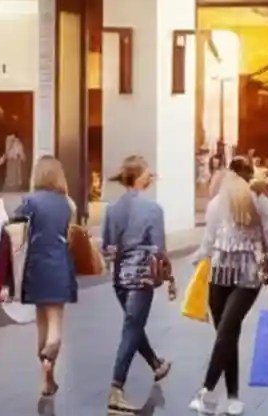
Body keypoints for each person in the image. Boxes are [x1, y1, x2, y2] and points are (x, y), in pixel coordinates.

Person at [190, 157, 268, 414]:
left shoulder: (256, 203)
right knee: (228, 333)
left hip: (237, 273)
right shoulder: (228, 203)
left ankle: (206, 391)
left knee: (226, 330)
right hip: (231, 272)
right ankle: (232, 397)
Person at [101, 156, 174, 413]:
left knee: (134, 324)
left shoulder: (112, 209)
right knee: (132, 327)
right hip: (141, 275)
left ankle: (156, 364)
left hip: (119, 276)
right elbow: (159, 248)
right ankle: (116, 388)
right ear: (141, 177)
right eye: (147, 172)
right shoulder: (153, 209)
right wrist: (169, 274)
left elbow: (106, 245)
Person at [14, 156, 78, 399]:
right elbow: (69, 235)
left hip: (36, 265)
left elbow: (15, 231)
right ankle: (53, 347)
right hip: (59, 263)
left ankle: (46, 380)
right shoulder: (67, 204)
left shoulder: (29, 202)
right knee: (55, 319)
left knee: (41, 321)